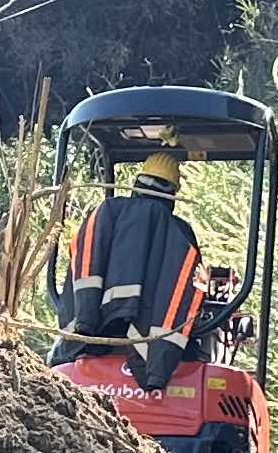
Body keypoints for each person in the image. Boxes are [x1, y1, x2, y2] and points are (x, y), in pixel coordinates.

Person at [50, 150, 205, 392]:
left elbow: (82, 262)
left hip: (88, 338)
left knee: (53, 362)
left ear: (137, 183)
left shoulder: (104, 212)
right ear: (173, 194)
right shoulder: (180, 234)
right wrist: (157, 366)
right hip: (149, 353)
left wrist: (86, 321)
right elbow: (184, 291)